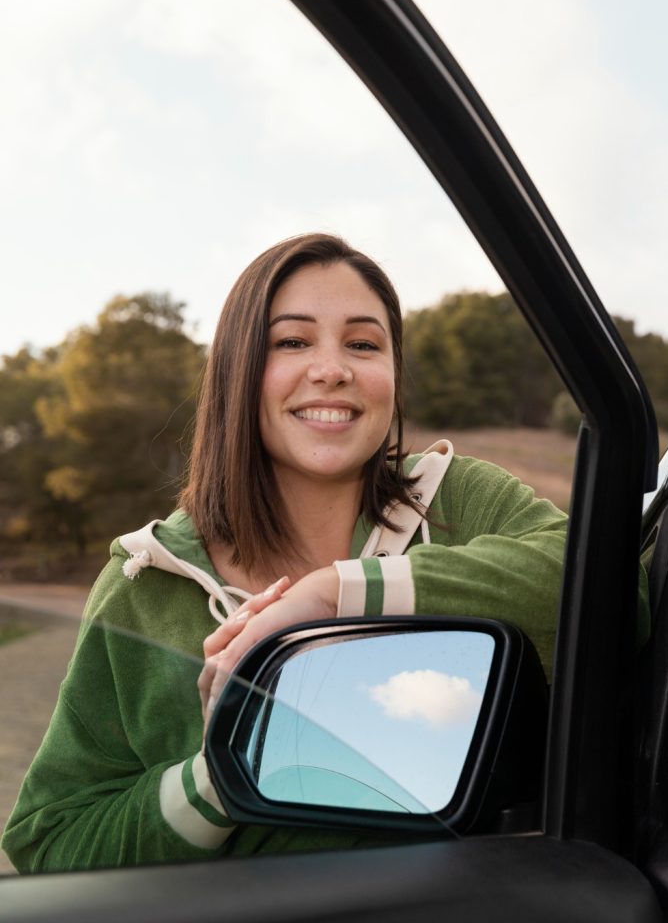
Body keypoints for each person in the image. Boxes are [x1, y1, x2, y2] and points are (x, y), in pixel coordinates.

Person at [2, 232, 583, 872]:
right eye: (292, 342)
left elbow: (608, 583)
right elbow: (49, 843)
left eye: (363, 344)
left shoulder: (459, 500)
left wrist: (334, 594)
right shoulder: (143, 582)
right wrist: (221, 775)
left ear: (394, 376)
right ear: (238, 371)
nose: (332, 369)